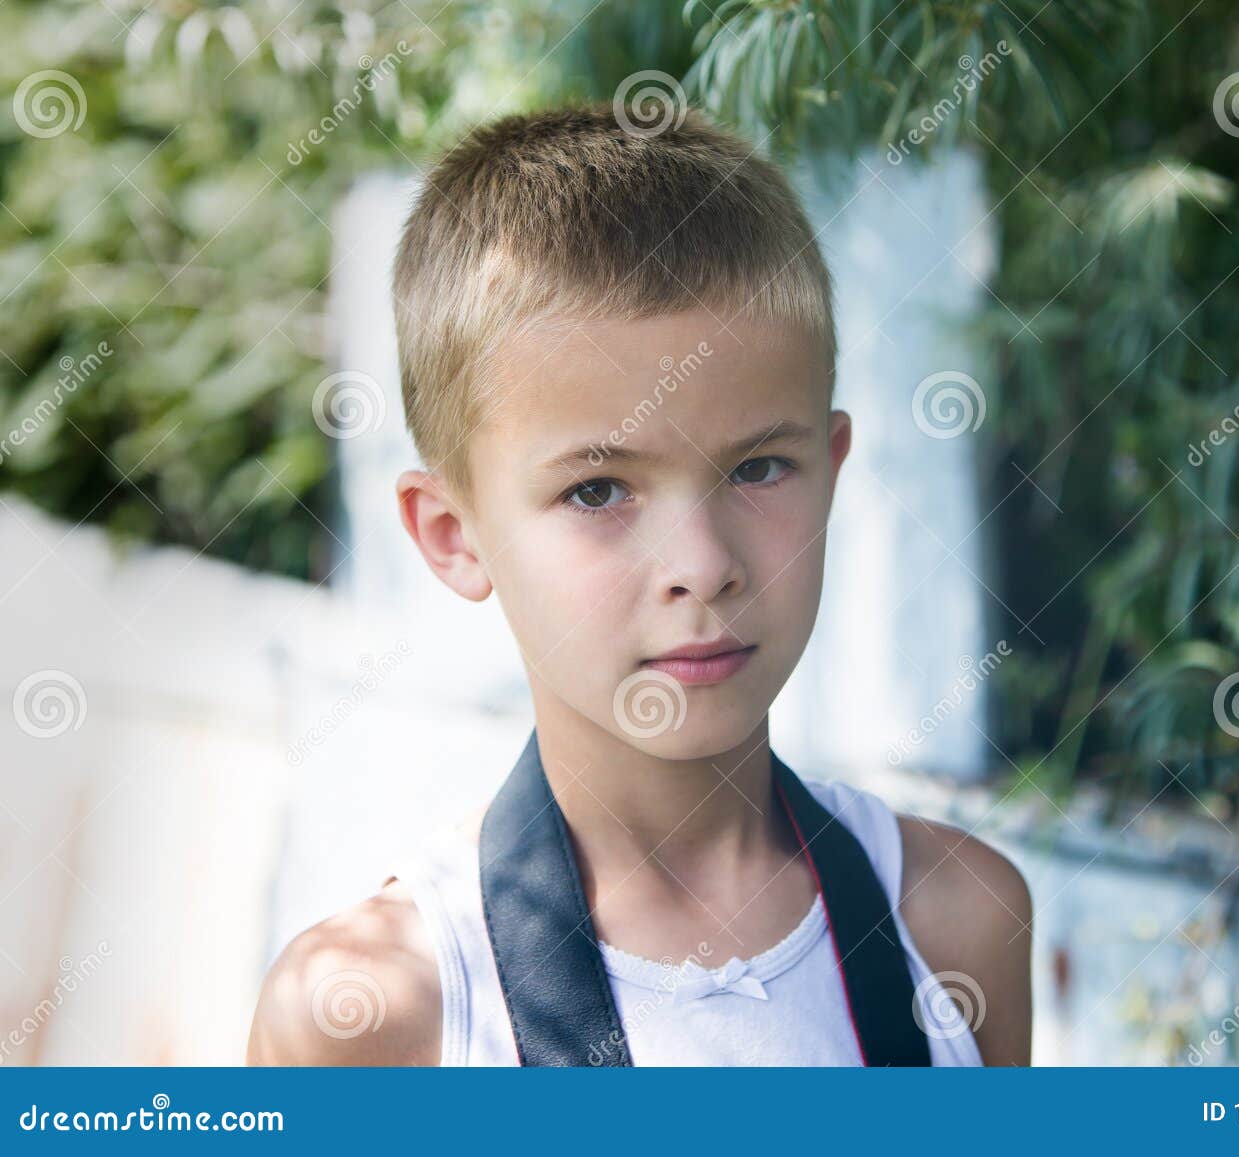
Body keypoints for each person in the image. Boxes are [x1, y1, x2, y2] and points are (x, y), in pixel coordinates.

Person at [246, 103, 1032, 1067]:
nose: (702, 564)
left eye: (758, 468)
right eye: (598, 490)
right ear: (454, 535)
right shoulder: (383, 1012)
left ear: (832, 472)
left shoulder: (956, 922)